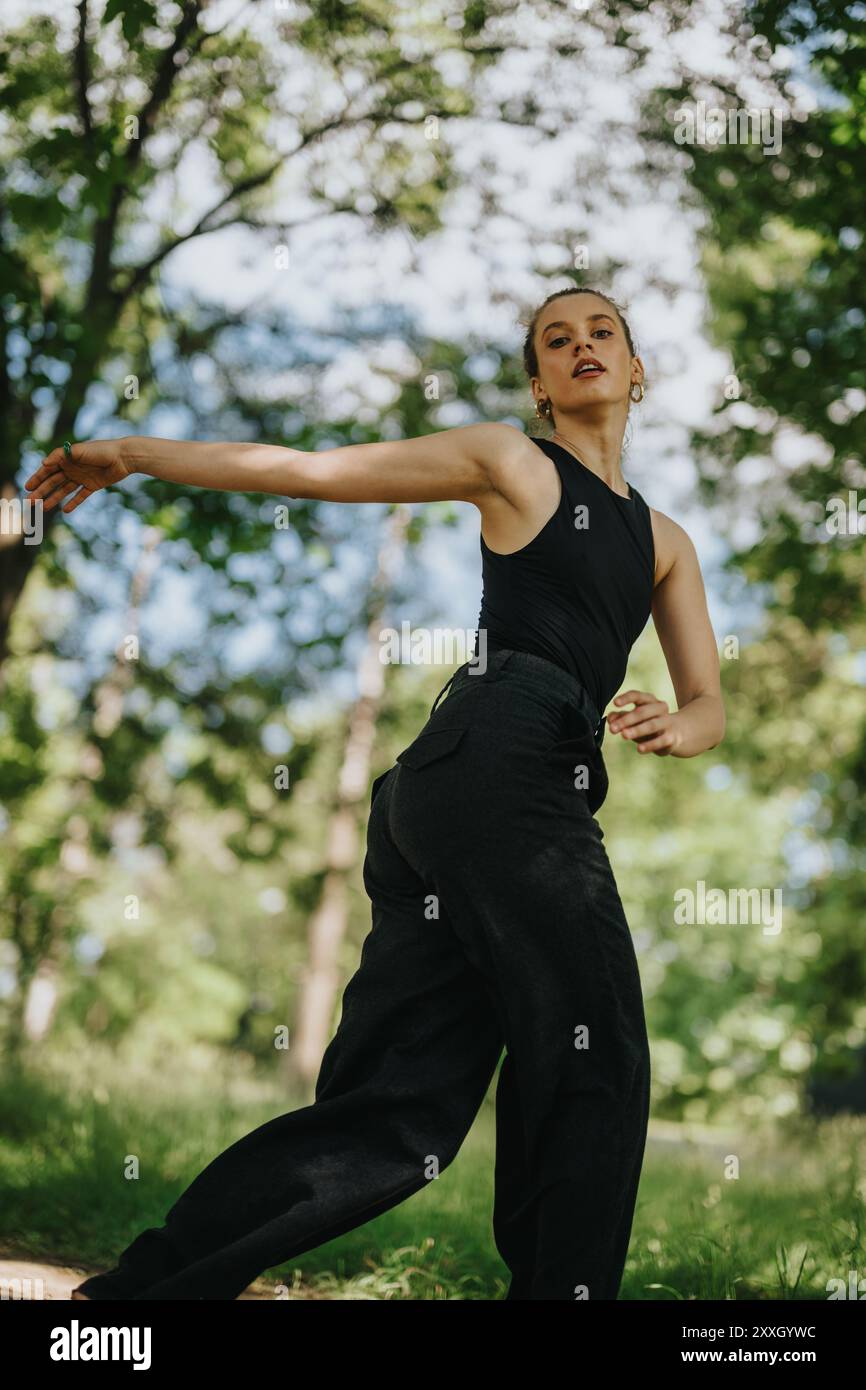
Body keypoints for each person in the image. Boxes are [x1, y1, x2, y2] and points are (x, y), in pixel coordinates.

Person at [25, 286, 725, 1301]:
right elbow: (312, 472)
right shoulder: (508, 461)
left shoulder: (664, 541)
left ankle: (136, 1299)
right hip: (497, 764)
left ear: (633, 367)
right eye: (554, 340)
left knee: (400, 1111)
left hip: (461, 798)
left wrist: (674, 721)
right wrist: (133, 452)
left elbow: (708, 702)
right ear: (536, 383)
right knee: (597, 1051)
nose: (579, 348)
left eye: (599, 333)